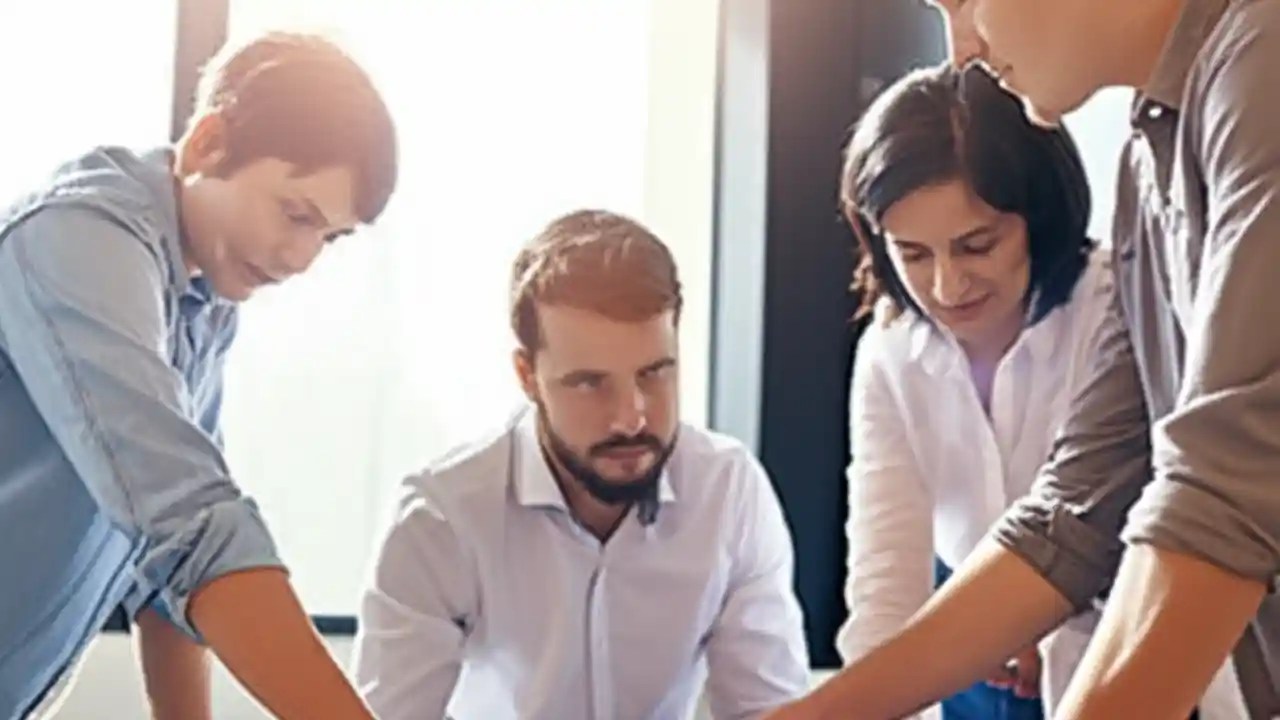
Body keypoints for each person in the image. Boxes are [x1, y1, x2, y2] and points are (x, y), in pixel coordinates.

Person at [766, 0, 1280, 717]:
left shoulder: (1262, 66)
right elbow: (1074, 513)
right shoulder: (1148, 163)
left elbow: (1223, 492)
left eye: (964, 2)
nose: (962, 50)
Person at [0, 32, 397, 719]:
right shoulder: (79, 239)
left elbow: (169, 573)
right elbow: (189, 520)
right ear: (209, 143)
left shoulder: (204, 306)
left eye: (328, 237)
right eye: (295, 214)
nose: (302, 259)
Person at [351, 209, 809, 720]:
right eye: (590, 383)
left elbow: (766, 709)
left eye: (654, 373)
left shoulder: (728, 490)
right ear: (527, 375)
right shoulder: (442, 518)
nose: (631, 418)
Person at [837, 64, 1108, 719]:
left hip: (1111, 645)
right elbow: (885, 574)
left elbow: (1144, 523)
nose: (948, 286)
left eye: (977, 245)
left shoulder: (1112, 309)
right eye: (913, 254)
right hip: (972, 664)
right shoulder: (890, 349)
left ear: (1038, 217)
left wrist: (1039, 617)